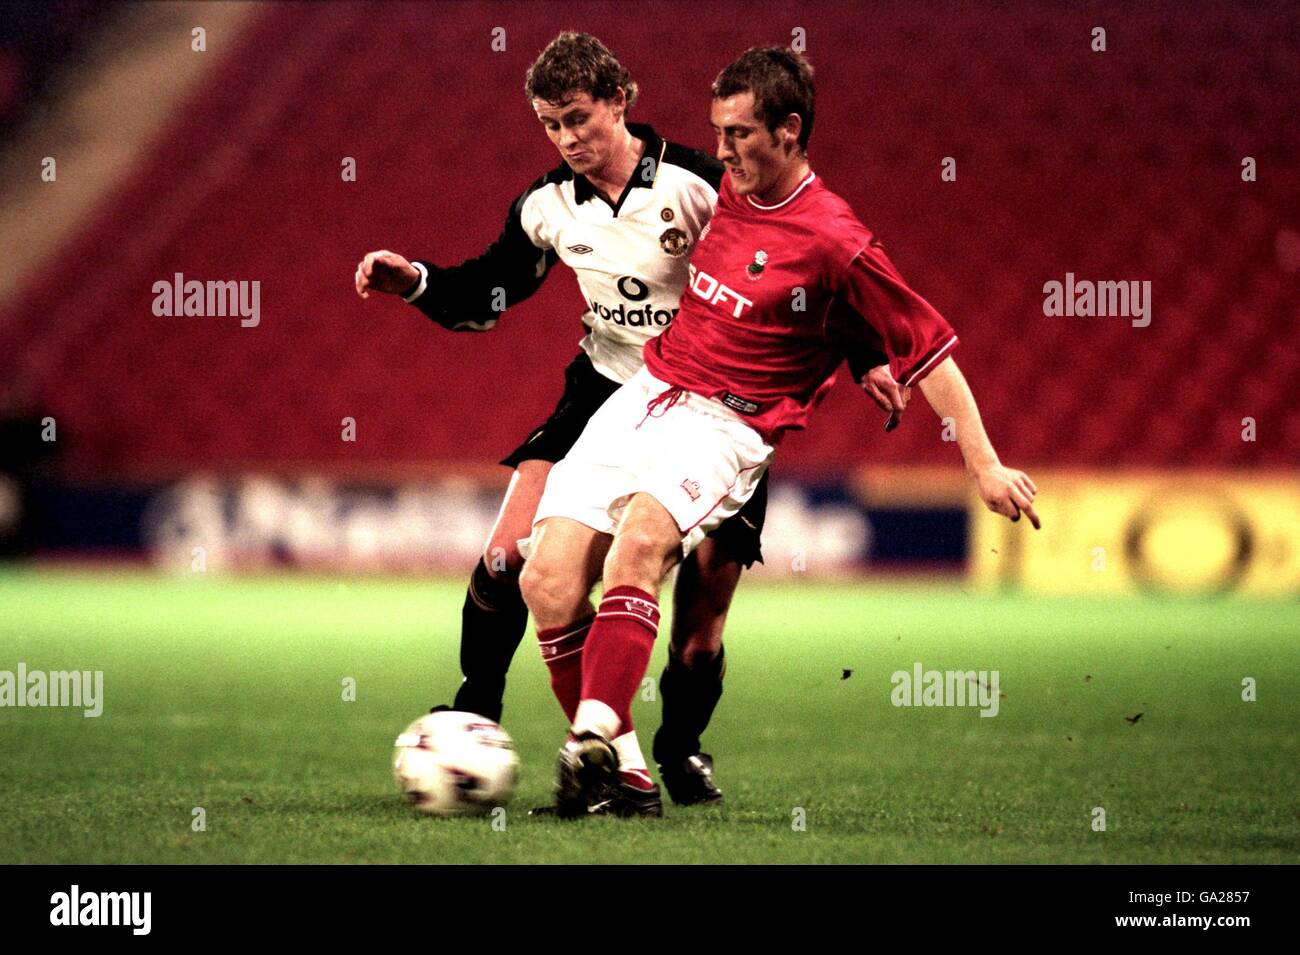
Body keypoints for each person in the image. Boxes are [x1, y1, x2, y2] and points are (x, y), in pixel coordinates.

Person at [355, 33, 908, 816]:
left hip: (716, 402)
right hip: (606, 392)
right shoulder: (547, 207)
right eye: (551, 125)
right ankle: (496, 720)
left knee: (702, 620)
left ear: (621, 102)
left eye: (579, 118)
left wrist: (864, 358)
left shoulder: (701, 184)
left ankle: (680, 745)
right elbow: (489, 293)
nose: (568, 139)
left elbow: (802, 271)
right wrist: (414, 280)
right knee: (515, 557)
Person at [517, 46, 1040, 817]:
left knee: (643, 548)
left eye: (738, 136)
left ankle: (592, 733)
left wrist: (984, 466)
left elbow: (930, 350)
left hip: (729, 423)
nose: (721, 153)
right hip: (650, 389)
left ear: (790, 132)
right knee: (547, 580)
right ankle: (622, 773)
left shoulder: (837, 239)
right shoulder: (730, 187)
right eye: (717, 133)